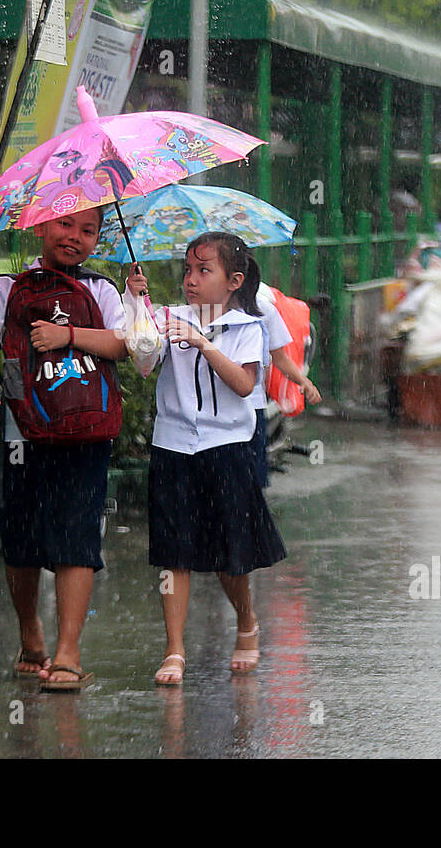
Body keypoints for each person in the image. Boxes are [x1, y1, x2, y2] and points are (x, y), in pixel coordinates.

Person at [0, 206, 130, 691]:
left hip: (85, 434)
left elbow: (123, 344)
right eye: (64, 224)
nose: (75, 237)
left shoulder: (101, 290)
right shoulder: (7, 288)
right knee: (19, 540)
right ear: (40, 226)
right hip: (22, 433)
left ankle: (68, 653)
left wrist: (70, 335)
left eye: (88, 230)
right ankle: (30, 633)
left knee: (77, 536)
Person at [126, 233, 287, 686]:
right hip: (173, 445)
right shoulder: (169, 318)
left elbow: (242, 384)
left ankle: (246, 622)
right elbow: (142, 362)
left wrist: (202, 342)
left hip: (228, 448)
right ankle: (174, 649)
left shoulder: (247, 327)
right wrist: (136, 305)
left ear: (234, 281)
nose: (191, 280)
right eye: (188, 270)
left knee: (229, 555)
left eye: (204, 271)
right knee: (173, 553)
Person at [249, 280, 322, 487]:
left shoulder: (259, 305)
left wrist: (303, 382)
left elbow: (279, 356)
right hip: (216, 416)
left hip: (250, 405)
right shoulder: (191, 312)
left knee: (250, 485)